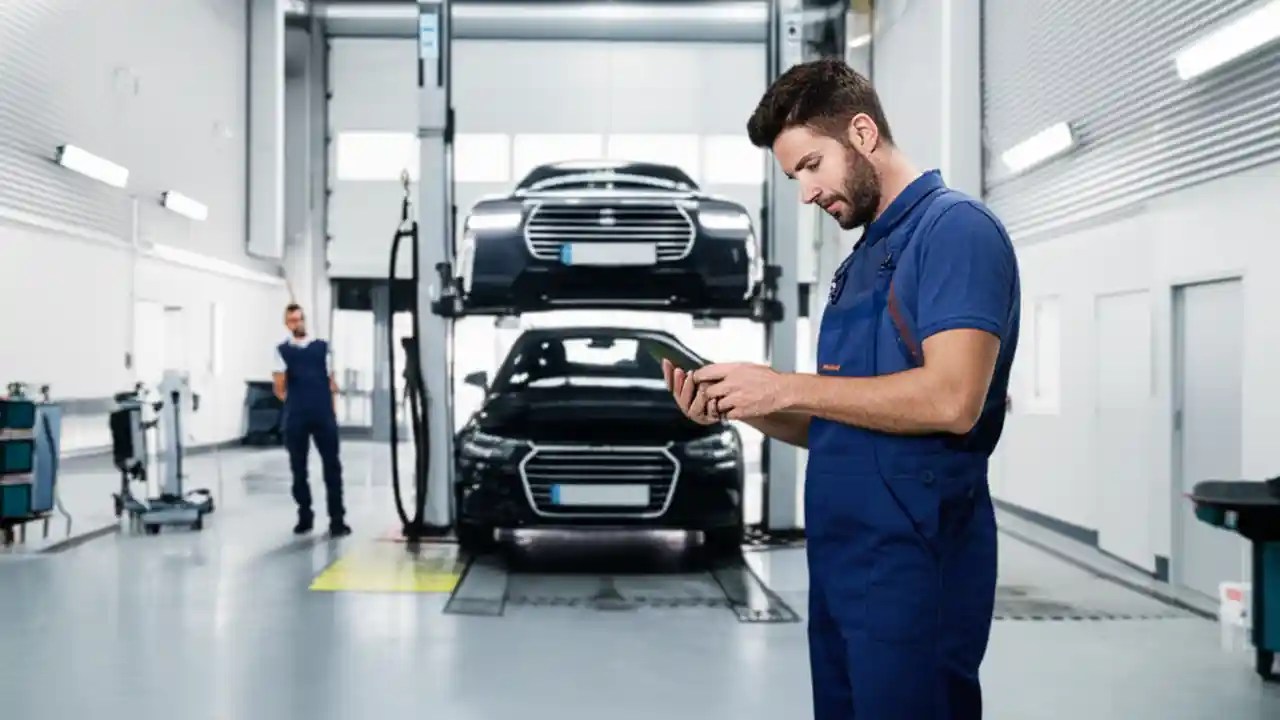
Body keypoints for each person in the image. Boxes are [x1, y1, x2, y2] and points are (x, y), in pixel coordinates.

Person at [662, 58, 1019, 719]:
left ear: (862, 133)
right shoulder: (861, 262)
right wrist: (748, 403)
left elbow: (951, 399)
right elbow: (842, 419)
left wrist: (786, 386)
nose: (806, 192)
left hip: (915, 564)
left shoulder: (956, 231)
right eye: (795, 174)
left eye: (811, 165)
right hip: (843, 563)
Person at [272, 303, 351, 537]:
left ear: (305, 320)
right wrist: (295, 401)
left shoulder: (323, 348)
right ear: (287, 324)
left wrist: (331, 409)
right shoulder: (281, 351)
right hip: (296, 417)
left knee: (333, 467)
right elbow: (279, 386)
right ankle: (304, 515)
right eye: (292, 320)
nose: (297, 323)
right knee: (299, 469)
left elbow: (332, 382)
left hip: (323, 415)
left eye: (300, 319)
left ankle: (337, 519)